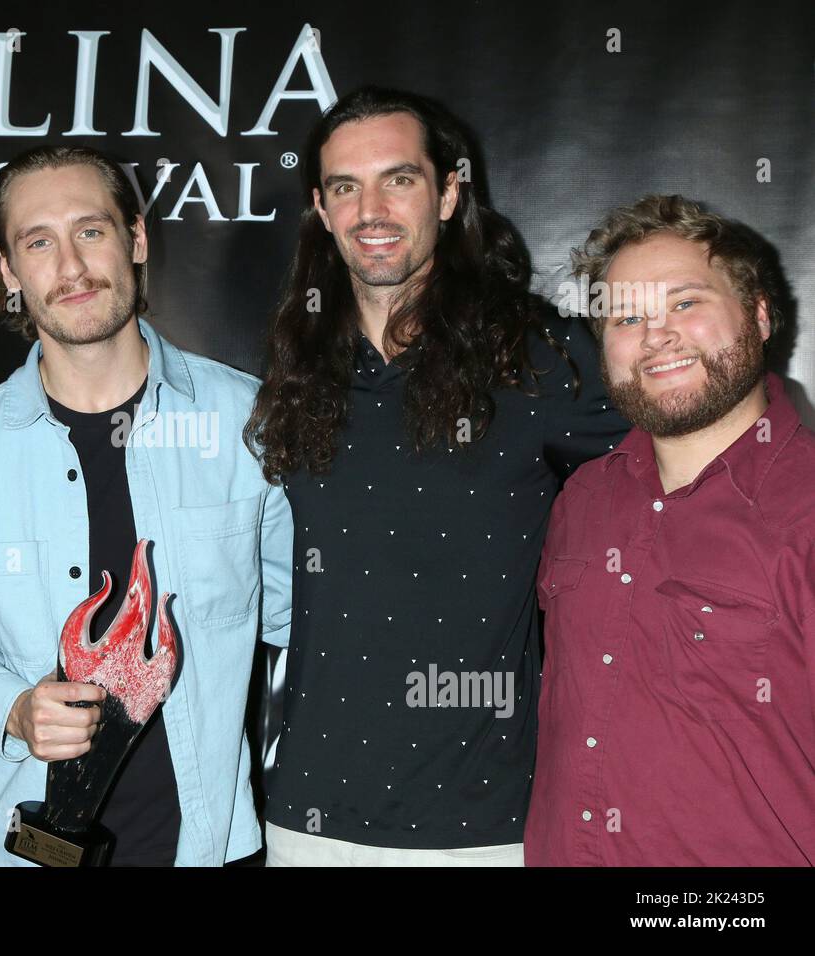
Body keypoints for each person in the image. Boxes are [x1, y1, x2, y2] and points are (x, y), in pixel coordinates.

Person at [245, 87, 629, 865]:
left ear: (450, 192)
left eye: (400, 179)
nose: (371, 210)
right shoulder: (300, 365)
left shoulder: (537, 357)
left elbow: (684, 473)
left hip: (479, 828)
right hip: (304, 818)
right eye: (345, 188)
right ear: (321, 209)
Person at [0, 145, 294, 866]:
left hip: (205, 848)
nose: (71, 266)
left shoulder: (248, 421)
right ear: (8, 270)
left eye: (91, 230)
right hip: (21, 854)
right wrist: (13, 707)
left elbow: (301, 617)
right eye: (38, 242)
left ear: (136, 238)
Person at [527, 194, 815, 865]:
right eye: (628, 316)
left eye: (685, 302)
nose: (656, 336)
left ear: (761, 315)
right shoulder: (582, 500)